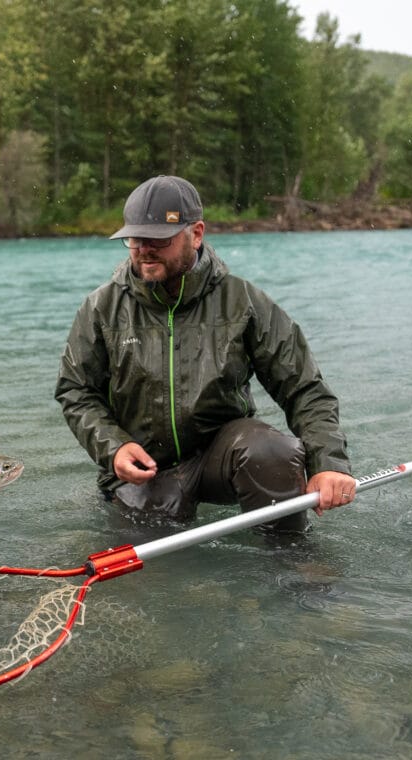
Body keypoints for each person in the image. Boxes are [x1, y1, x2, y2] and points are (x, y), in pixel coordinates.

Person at [55, 176, 356, 533]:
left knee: (272, 451)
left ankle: (294, 563)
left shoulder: (243, 302)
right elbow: (76, 391)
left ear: (196, 233)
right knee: (154, 575)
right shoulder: (100, 308)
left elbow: (304, 387)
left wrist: (328, 462)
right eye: (135, 239)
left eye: (158, 239)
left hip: (221, 459)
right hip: (144, 471)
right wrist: (114, 449)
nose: (144, 249)